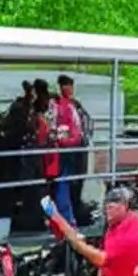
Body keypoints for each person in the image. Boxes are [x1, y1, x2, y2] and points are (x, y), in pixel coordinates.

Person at [53, 74, 92, 226]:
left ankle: (75, 211)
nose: (69, 88)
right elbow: (62, 128)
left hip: (78, 145)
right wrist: (65, 142)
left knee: (76, 181)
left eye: (70, 85)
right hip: (69, 148)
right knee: (65, 181)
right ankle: (66, 216)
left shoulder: (74, 104)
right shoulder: (60, 106)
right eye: (66, 85)